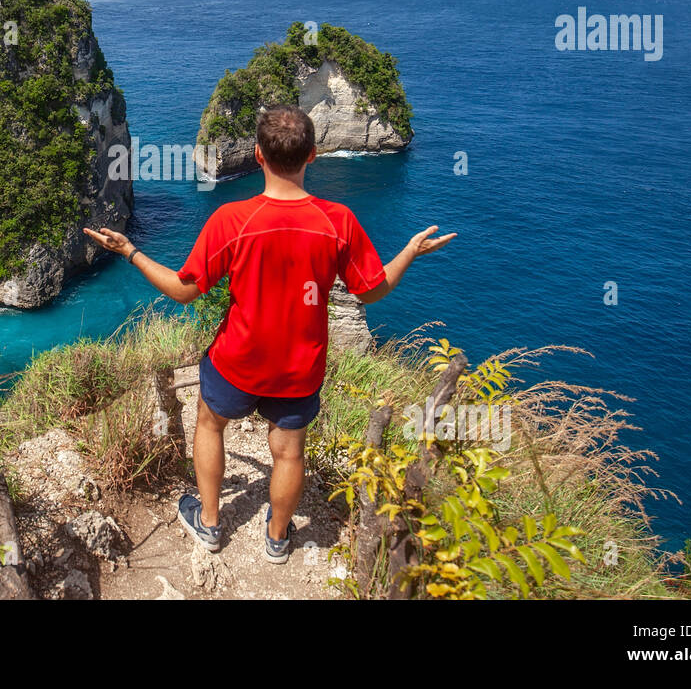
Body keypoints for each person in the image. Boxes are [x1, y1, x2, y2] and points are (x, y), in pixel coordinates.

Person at [83, 103, 454, 563]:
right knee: (289, 453)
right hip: (299, 368)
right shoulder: (337, 222)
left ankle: (212, 523)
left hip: (237, 360)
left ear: (257, 155)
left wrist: (131, 252)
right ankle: (278, 539)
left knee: (209, 423)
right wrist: (410, 252)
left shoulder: (231, 221)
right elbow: (373, 290)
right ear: (313, 155)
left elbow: (184, 291)